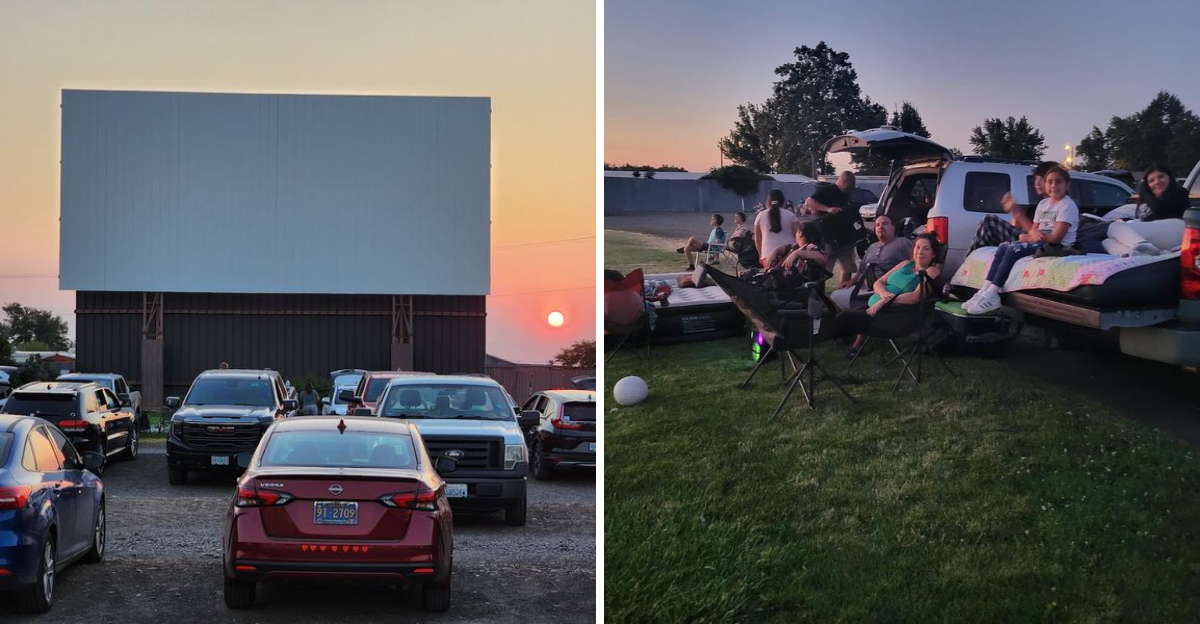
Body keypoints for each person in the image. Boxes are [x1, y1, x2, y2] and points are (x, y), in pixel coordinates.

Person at [962, 166, 1079, 315]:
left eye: (1058, 182)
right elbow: (1034, 228)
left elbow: (1057, 237)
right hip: (1040, 240)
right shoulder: (1044, 204)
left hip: (1057, 245)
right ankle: (983, 291)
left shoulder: (1067, 205)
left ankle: (993, 293)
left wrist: (1029, 237)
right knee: (1003, 247)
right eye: (1049, 182)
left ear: (1067, 185)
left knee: (1014, 249)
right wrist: (1029, 235)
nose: (1054, 185)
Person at [832, 234, 944, 348]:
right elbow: (878, 283)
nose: (920, 251)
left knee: (844, 318)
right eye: (918, 247)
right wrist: (883, 294)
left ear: (933, 254)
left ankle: (823, 337)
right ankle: (832, 337)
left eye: (926, 248)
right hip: (877, 309)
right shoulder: (905, 264)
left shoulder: (932, 270)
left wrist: (885, 301)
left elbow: (916, 297)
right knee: (844, 318)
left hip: (894, 315)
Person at [967, 161, 1058, 252]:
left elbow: (1037, 235)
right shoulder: (1043, 204)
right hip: (1027, 239)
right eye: (1036, 178)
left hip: (1036, 243)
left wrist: (1018, 213)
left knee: (989, 221)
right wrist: (1018, 223)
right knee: (988, 234)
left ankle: (969, 261)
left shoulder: (1061, 205)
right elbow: (1032, 228)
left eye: (1042, 178)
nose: (1037, 183)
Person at [829, 215, 914, 311]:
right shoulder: (872, 247)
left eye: (885, 224)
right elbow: (862, 270)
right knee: (835, 296)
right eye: (877, 225)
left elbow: (913, 264)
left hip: (886, 287)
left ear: (893, 227)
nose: (880, 227)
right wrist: (850, 282)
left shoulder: (902, 243)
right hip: (864, 288)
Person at [1099, 164, 1188, 256]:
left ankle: (1142, 245)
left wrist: (1147, 193)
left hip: (1176, 228)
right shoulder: (1149, 201)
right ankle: (1132, 254)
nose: (1157, 182)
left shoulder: (1180, 192)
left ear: (1169, 177)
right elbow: (1147, 219)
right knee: (1106, 240)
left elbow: (1160, 209)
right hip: (1159, 232)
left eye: (1161, 177)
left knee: (1114, 227)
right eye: (1151, 181)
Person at [800, 184, 858, 287]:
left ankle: (840, 292)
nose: (851, 188)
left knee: (847, 268)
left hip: (845, 238)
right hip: (827, 238)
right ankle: (819, 293)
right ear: (845, 182)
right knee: (824, 269)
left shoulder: (847, 195)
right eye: (850, 185)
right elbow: (809, 202)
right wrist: (828, 209)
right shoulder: (827, 190)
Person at [762, 220, 827, 280]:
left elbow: (821, 257)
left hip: (799, 286)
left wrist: (797, 253)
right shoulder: (796, 246)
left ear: (800, 233)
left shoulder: (810, 247)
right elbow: (785, 247)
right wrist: (775, 252)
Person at [754, 189, 799, 267]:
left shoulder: (760, 215)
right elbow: (799, 235)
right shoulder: (791, 215)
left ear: (768, 201)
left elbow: (758, 239)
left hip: (767, 255)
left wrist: (761, 255)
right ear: (783, 201)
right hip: (789, 254)